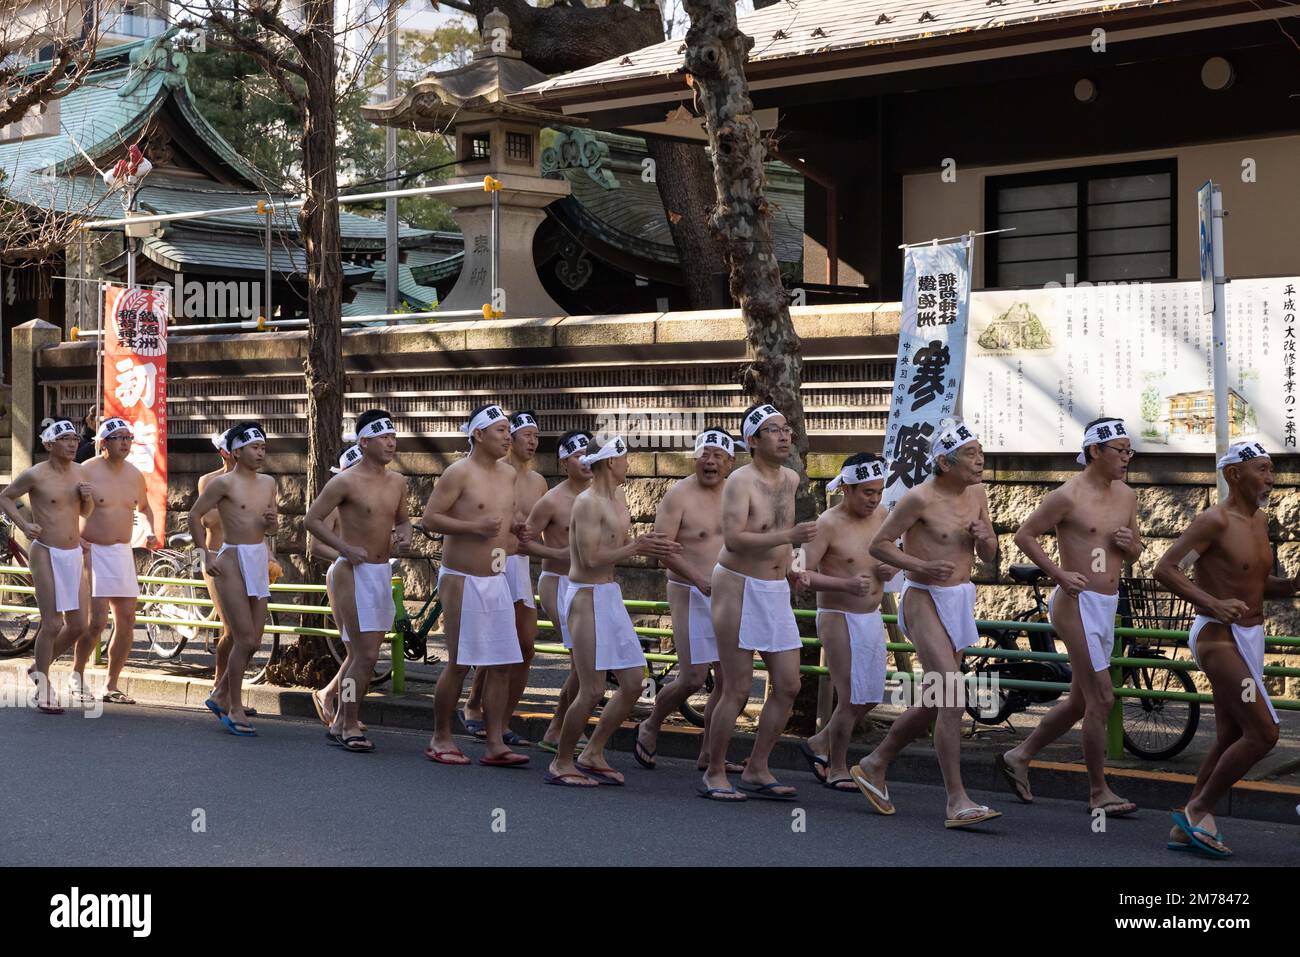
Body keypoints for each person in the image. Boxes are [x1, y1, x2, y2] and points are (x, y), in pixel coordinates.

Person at [856, 419, 1002, 829]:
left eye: (980, 452)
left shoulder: (977, 493)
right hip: (922, 599)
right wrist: (921, 565)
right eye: (971, 455)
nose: (980, 461)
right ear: (944, 460)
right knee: (952, 694)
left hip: (959, 598)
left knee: (937, 697)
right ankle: (957, 799)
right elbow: (878, 544)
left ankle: (874, 762)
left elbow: (989, 555)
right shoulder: (917, 499)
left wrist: (986, 535)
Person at [1156, 441, 1293, 858]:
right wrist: (1212, 603)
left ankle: (1188, 823)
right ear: (1234, 474)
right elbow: (1165, 568)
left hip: (1250, 637)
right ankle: (1200, 807)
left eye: (1272, 470)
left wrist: (1294, 585)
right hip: (1217, 638)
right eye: (1261, 469)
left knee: (1232, 735)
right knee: (1265, 732)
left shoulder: (1261, 521)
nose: (1270, 478)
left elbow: (1254, 583)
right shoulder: (1212, 520)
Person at [999, 418, 1142, 816]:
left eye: (1129, 451)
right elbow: (1025, 534)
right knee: (1103, 697)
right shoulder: (1067, 495)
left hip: (1106, 604)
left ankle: (1019, 755)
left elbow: (1136, 552)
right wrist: (1059, 573)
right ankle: (1098, 792)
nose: (1126, 458)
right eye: (1120, 450)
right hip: (1074, 604)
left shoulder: (1127, 496)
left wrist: (1133, 545)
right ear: (1095, 451)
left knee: (1081, 702)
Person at [545, 436, 681, 787]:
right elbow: (589, 559)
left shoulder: (618, 497)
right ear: (609, 462)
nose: (628, 464)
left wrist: (647, 543)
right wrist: (638, 546)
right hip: (585, 596)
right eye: (624, 458)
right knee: (590, 689)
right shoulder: (587, 503)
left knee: (635, 681)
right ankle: (561, 762)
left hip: (608, 594)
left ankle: (593, 752)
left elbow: (617, 547)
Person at [700, 404, 817, 802]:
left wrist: (793, 567)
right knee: (736, 687)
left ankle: (756, 766)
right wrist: (792, 537)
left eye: (786, 429)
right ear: (752, 440)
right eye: (773, 431)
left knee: (788, 683)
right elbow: (734, 539)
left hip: (773, 588)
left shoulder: (791, 477)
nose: (784, 436)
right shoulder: (739, 481)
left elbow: (785, 534)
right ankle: (715, 770)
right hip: (737, 583)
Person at [421, 404, 529, 767]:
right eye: (500, 430)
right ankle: (441, 738)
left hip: (496, 575)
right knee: (460, 662)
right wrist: (473, 528)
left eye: (508, 430)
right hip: (461, 577)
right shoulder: (458, 472)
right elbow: (430, 519)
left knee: (500, 664)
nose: (507, 437)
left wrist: (515, 526)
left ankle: (495, 741)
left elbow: (508, 511)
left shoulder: (509, 474)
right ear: (478, 434)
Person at [634, 427, 740, 774]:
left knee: (729, 679)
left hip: (726, 591)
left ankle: (711, 753)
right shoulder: (678, 494)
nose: (710, 461)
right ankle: (650, 724)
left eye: (717, 456)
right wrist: (697, 578)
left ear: (730, 461)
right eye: (704, 454)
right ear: (695, 457)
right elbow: (660, 548)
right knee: (694, 677)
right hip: (687, 589)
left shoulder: (737, 494)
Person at [305, 411, 411, 753]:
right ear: (364, 442)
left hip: (381, 572)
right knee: (363, 654)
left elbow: (404, 519)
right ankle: (348, 721)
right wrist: (344, 548)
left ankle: (340, 718)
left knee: (365, 654)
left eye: (393, 436)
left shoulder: (397, 482)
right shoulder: (345, 481)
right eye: (383, 437)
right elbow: (312, 520)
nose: (390, 442)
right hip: (350, 572)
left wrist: (405, 537)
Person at [795, 454, 896, 791]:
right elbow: (796, 571)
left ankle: (820, 742)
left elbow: (893, 553)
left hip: (870, 615)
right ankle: (837, 766)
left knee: (870, 695)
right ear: (848, 489)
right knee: (851, 694)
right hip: (838, 615)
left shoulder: (882, 515)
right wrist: (845, 584)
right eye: (867, 492)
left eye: (879, 491)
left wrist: (890, 569)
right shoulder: (826, 523)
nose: (874, 499)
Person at [461, 410, 546, 748]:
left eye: (535, 436)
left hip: (520, 562)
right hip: (494, 560)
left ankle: (505, 718)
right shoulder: (496, 473)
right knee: (497, 640)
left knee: (524, 645)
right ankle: (472, 705)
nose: (531, 441)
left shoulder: (538, 481)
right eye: (525, 433)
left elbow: (540, 528)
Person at [187, 422, 278, 736]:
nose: (260, 452)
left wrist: (271, 523)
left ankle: (221, 694)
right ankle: (234, 705)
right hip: (230, 559)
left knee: (254, 637)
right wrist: (204, 555)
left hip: (256, 558)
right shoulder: (221, 483)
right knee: (244, 637)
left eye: (263, 447)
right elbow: (194, 516)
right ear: (236, 451)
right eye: (254, 447)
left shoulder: (269, 483)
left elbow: (273, 527)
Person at [0, 419, 93, 713]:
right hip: (45, 551)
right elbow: (6, 497)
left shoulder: (81, 471)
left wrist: (87, 499)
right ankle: (43, 684)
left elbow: (86, 511)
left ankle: (38, 666)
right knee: (52, 623)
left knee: (78, 625)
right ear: (49, 444)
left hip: (72, 551)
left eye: (75, 439)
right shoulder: (35, 475)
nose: (72, 444)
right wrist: (24, 525)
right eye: (65, 439)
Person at [70, 417, 159, 705]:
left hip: (122, 551)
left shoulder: (135, 474)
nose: (125, 442)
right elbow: (62, 509)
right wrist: (75, 537)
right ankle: (77, 674)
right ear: (103, 442)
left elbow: (145, 508)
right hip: (92, 550)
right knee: (96, 621)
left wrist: (151, 531)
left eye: (128, 437)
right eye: (119, 437)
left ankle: (111, 683)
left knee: (128, 619)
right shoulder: (85, 471)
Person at [526, 430, 593, 755]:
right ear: (565, 462)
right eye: (578, 455)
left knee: (584, 664)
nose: (587, 460)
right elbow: (525, 540)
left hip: (592, 586)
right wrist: (560, 554)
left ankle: (556, 727)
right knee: (582, 662)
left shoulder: (604, 495)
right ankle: (561, 728)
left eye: (590, 452)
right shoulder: (552, 500)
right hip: (557, 583)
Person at [308, 443, 362, 728]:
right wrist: (347, 555)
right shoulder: (337, 498)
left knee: (364, 651)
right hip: (343, 574)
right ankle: (339, 706)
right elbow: (316, 544)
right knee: (356, 650)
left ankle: (333, 697)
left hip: (368, 573)